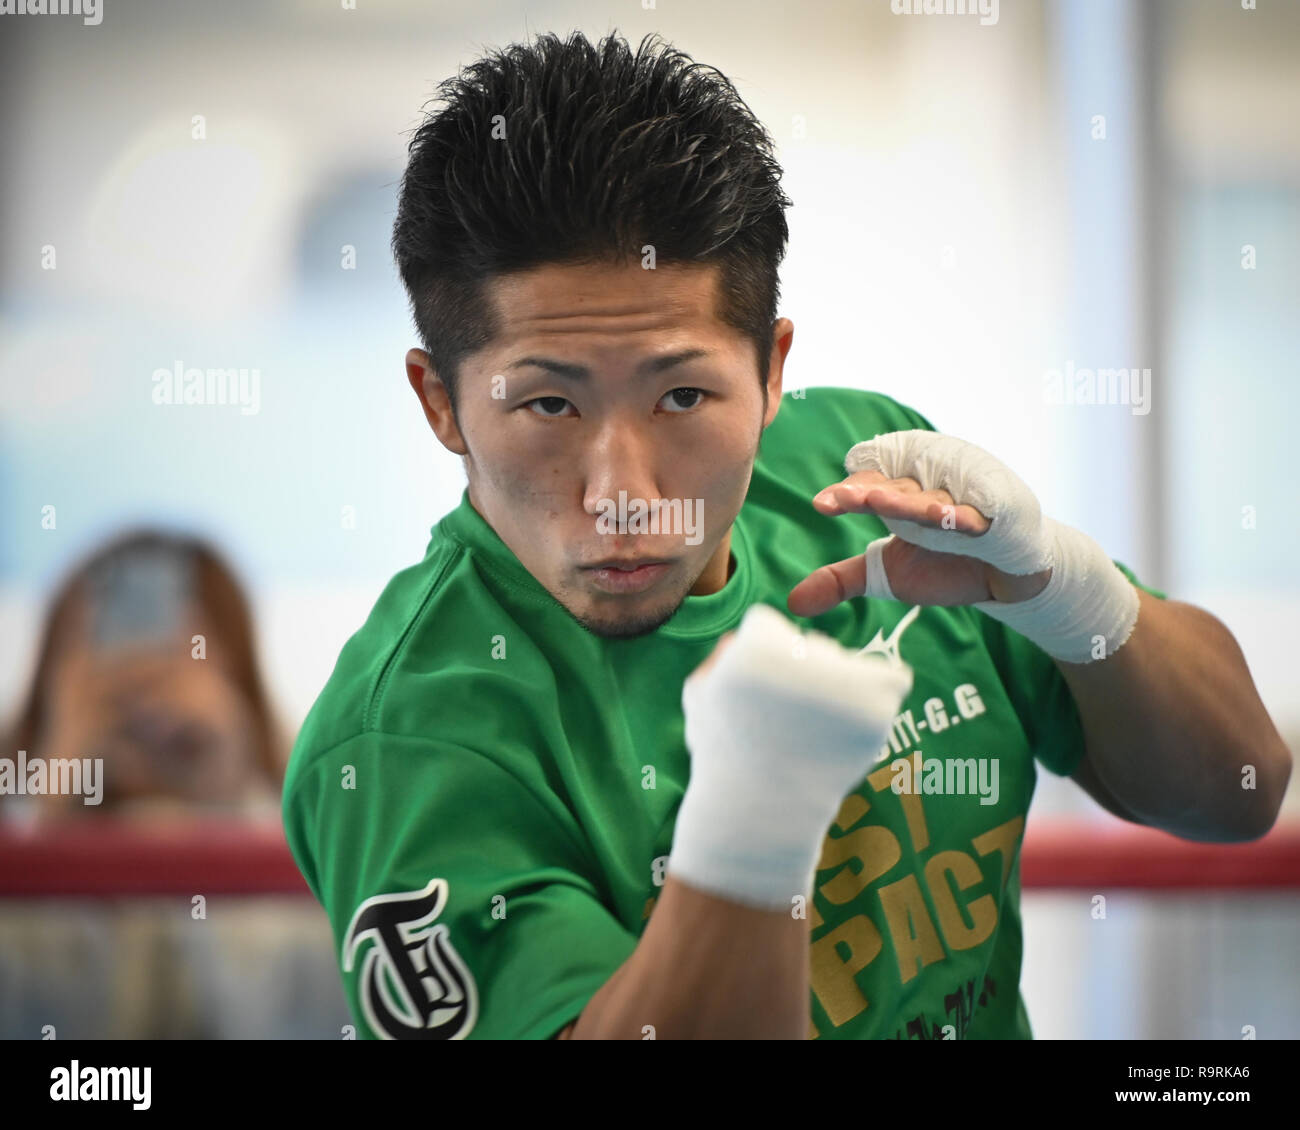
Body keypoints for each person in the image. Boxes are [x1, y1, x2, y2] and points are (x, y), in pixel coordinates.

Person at [281, 30, 1292, 1040]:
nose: (622, 490)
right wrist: (753, 813)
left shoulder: (866, 481)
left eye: (683, 394)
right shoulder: (408, 738)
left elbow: (1241, 787)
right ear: (441, 402)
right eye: (549, 406)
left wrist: (1067, 594)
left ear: (770, 372)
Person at [6, 529, 284, 822]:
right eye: (110, 635)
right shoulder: (26, 788)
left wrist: (230, 771)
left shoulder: (291, 800)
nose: (142, 665)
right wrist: (56, 777)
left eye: (183, 643)